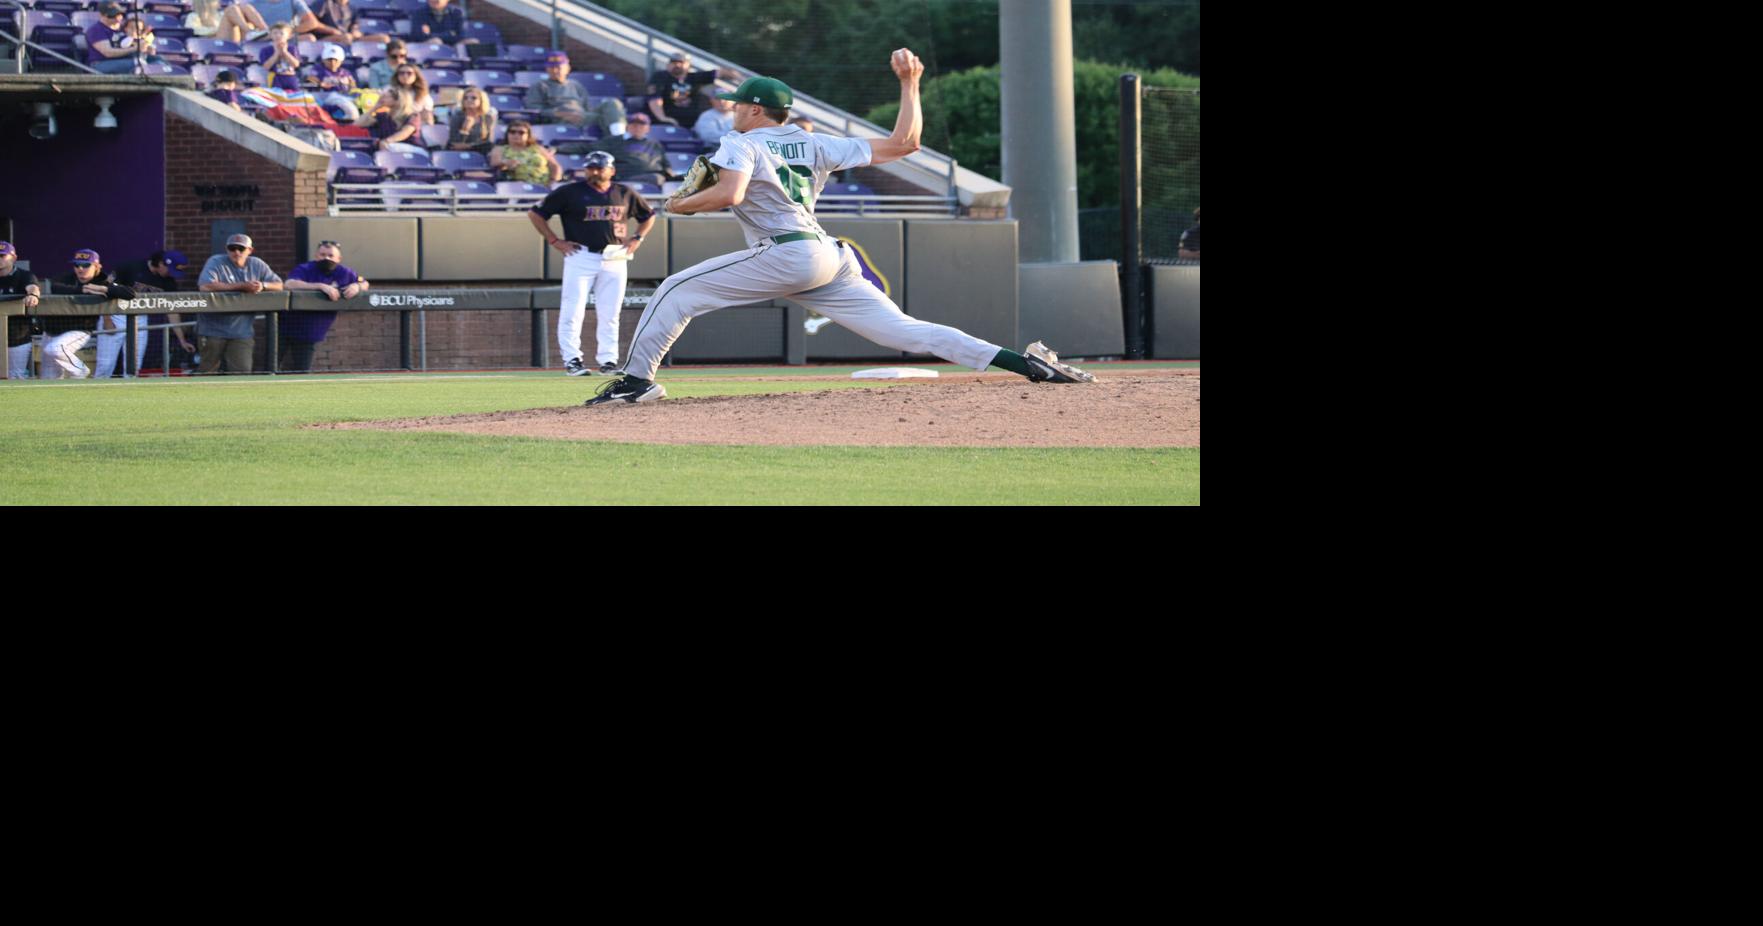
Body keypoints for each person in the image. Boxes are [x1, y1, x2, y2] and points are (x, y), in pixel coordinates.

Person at [587, 51, 1094, 406]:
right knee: (905, 330)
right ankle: (1026, 364)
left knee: (675, 289)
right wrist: (910, 83)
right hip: (828, 257)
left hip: (785, 251)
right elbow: (906, 143)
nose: (732, 109)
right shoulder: (816, 143)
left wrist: (682, 205)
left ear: (756, 109)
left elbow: (730, 195)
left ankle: (637, 382)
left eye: (738, 104)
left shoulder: (740, 142)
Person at [529, 150, 656, 376]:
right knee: (573, 309)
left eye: (599, 168)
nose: (595, 172)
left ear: (611, 170)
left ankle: (608, 361)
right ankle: (572, 360)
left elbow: (648, 216)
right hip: (581, 255)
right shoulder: (570, 191)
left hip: (615, 256)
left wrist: (637, 238)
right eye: (591, 168)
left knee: (611, 313)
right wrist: (554, 240)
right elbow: (536, 214)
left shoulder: (624, 192)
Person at [196, 234, 284, 374]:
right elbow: (205, 286)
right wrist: (242, 286)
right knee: (206, 372)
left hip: (242, 331)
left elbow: (279, 285)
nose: (236, 252)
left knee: (242, 373)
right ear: (226, 249)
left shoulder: (257, 264)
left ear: (250, 250)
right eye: (232, 248)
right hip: (212, 330)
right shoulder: (216, 261)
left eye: (241, 249)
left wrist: (263, 285)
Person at [45, 249, 137, 380]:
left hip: (79, 329)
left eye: (86, 265)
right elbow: (55, 287)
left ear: (97, 266)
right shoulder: (67, 277)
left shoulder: (102, 280)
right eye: (77, 265)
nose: (80, 269)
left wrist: (103, 289)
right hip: (53, 329)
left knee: (55, 348)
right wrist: (82, 289)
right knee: (49, 377)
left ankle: (80, 370)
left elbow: (130, 293)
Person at [280, 240, 369, 372]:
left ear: (339, 258)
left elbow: (364, 283)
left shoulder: (345, 272)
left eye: (331, 255)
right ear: (316, 256)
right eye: (322, 255)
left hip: (311, 331)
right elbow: (289, 284)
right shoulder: (305, 268)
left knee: (301, 371)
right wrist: (321, 286)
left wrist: (357, 286)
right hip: (286, 326)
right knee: (270, 367)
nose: (326, 258)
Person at [116, 251, 197, 370]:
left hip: (140, 316)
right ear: (160, 264)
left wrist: (182, 340)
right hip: (116, 315)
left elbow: (172, 311)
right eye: (170, 270)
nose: (171, 274)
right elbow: (107, 288)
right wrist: (107, 319)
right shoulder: (131, 267)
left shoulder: (168, 282)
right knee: (107, 362)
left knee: (135, 363)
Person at [524, 51, 625, 135]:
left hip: (582, 116)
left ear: (567, 69)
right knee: (605, 119)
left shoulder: (576, 85)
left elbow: (586, 107)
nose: (555, 71)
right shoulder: (540, 86)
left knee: (613, 104)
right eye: (551, 68)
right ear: (547, 69)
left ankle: (619, 136)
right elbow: (534, 109)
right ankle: (619, 140)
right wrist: (556, 113)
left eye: (558, 67)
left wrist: (581, 114)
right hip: (561, 119)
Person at [647, 51, 738, 127]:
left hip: (693, 122)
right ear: (668, 64)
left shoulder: (694, 77)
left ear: (689, 65)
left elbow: (721, 73)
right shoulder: (660, 77)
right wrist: (663, 118)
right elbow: (655, 99)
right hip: (668, 122)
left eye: (681, 62)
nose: (677, 65)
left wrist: (739, 78)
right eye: (673, 62)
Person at [586, 112, 672, 187]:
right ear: (627, 127)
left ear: (648, 128)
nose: (637, 128)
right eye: (634, 125)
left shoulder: (654, 144)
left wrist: (669, 172)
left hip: (655, 176)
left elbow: (665, 163)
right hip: (626, 177)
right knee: (656, 178)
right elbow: (589, 148)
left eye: (642, 125)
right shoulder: (614, 141)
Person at [2, 241, 44, 379]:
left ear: (14, 258)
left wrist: (33, 295)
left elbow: (33, 287)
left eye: (2, 256)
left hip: (18, 336)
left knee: (15, 376)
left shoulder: (24, 275)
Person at [85, 3, 165, 74]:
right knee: (137, 63)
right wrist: (136, 48)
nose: (118, 18)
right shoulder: (96, 30)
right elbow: (108, 53)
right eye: (113, 15)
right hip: (101, 63)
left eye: (120, 14)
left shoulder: (123, 29)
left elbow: (132, 43)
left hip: (125, 59)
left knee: (158, 60)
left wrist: (146, 49)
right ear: (102, 15)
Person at [357, 86, 425, 154]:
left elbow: (405, 133)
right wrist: (375, 107)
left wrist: (386, 141)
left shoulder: (413, 115)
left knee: (388, 147)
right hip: (389, 148)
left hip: (413, 150)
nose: (382, 98)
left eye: (386, 97)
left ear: (398, 100)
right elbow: (357, 124)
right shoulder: (384, 116)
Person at [490, 120, 562, 184]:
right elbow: (495, 162)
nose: (516, 135)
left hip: (545, 185)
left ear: (528, 135)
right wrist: (505, 162)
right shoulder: (500, 149)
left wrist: (553, 182)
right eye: (512, 132)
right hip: (517, 185)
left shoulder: (538, 148)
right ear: (507, 134)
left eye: (521, 133)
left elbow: (555, 166)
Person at [305, 44, 361, 121]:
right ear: (324, 60)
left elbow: (353, 86)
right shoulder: (318, 70)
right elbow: (310, 79)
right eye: (329, 60)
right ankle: (350, 121)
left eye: (335, 60)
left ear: (341, 61)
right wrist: (320, 84)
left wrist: (352, 87)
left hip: (345, 96)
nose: (332, 62)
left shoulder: (345, 73)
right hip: (327, 96)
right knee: (351, 111)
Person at [186, 0, 271, 43]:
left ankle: (268, 31)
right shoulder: (193, 16)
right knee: (231, 9)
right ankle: (250, 32)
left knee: (244, 7)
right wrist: (218, 29)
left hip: (233, 38)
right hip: (213, 42)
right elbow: (194, 31)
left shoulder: (219, 14)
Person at [313, 0, 389, 44]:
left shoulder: (352, 8)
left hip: (349, 38)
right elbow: (313, 23)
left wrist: (355, 31)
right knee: (346, 37)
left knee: (384, 39)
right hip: (327, 38)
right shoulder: (324, 3)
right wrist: (332, 31)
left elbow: (355, 25)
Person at [447, 87, 496, 155]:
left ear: (481, 101)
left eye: (473, 98)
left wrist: (469, 146)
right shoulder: (457, 116)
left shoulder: (487, 118)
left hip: (479, 150)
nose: (469, 100)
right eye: (465, 98)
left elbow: (488, 142)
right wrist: (465, 130)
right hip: (458, 152)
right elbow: (455, 143)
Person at [258, 23, 303, 93]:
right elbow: (266, 66)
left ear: (289, 36)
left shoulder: (292, 48)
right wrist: (276, 53)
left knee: (294, 94)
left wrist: (285, 52)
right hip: (275, 77)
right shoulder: (265, 50)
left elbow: (296, 64)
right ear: (270, 35)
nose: (278, 35)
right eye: (275, 33)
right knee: (277, 95)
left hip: (290, 76)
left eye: (281, 33)